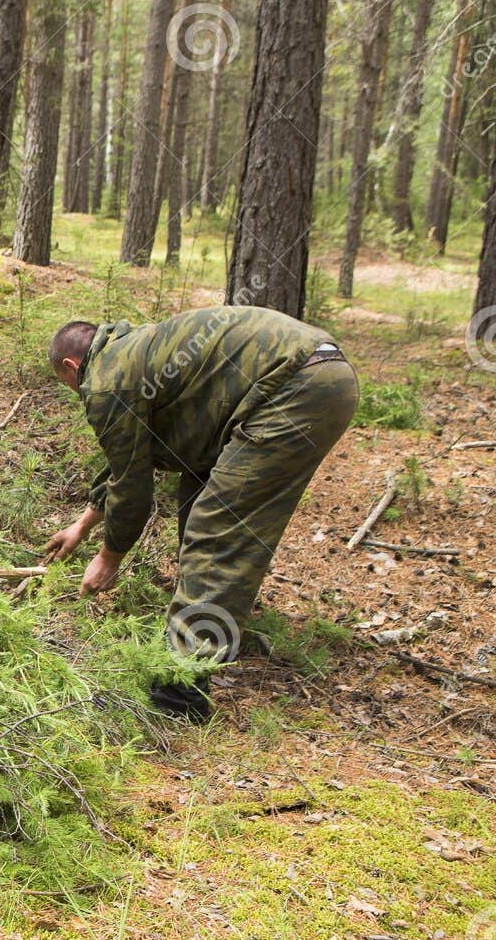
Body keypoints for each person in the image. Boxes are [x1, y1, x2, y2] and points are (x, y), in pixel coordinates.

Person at [43, 306, 359, 721]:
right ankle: (215, 625)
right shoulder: (132, 350)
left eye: (65, 383)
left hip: (294, 388)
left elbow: (134, 489)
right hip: (321, 371)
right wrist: (83, 525)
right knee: (198, 498)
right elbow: (127, 461)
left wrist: (109, 558)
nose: (72, 391)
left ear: (72, 365)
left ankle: (181, 691)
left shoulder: (106, 382)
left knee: (217, 529)